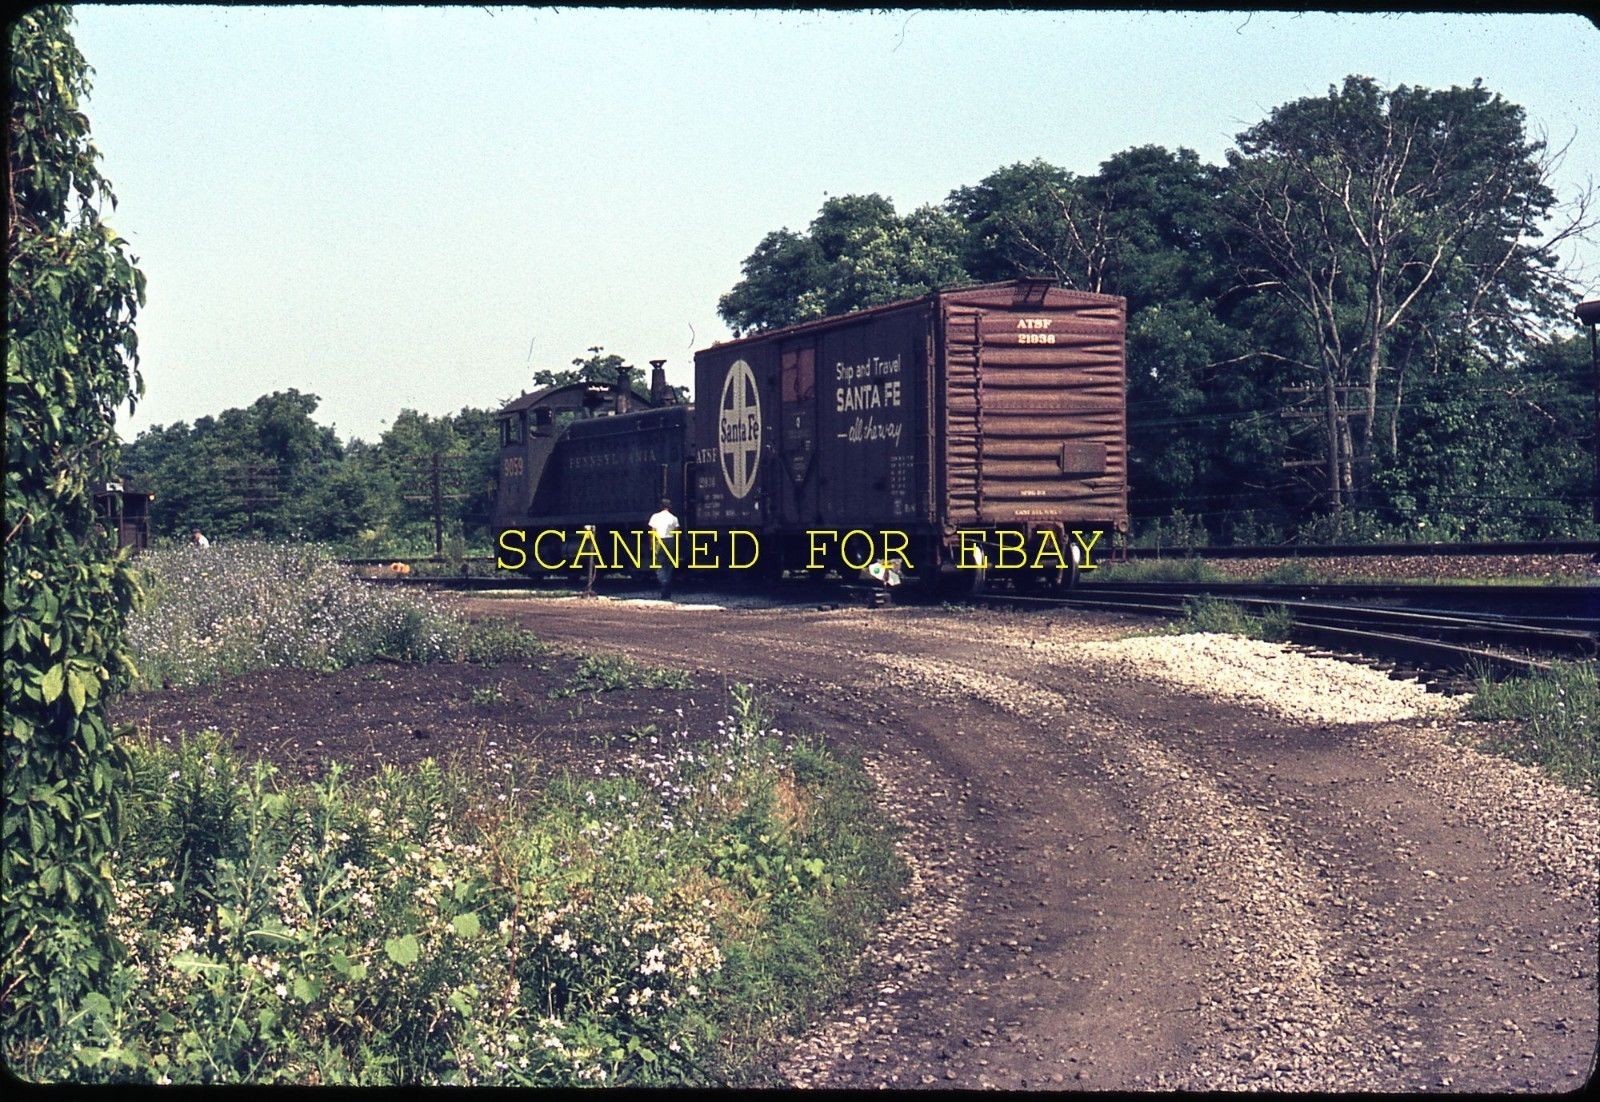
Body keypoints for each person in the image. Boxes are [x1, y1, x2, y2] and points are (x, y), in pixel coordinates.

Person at [647, 497, 680, 600]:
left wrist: (652, 544)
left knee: (659, 564)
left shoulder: (655, 517)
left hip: (659, 540)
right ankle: (667, 584)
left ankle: (664, 583)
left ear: (660, 506)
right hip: (670, 541)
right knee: (669, 564)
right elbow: (677, 532)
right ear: (669, 507)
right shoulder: (674, 518)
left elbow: (652, 531)